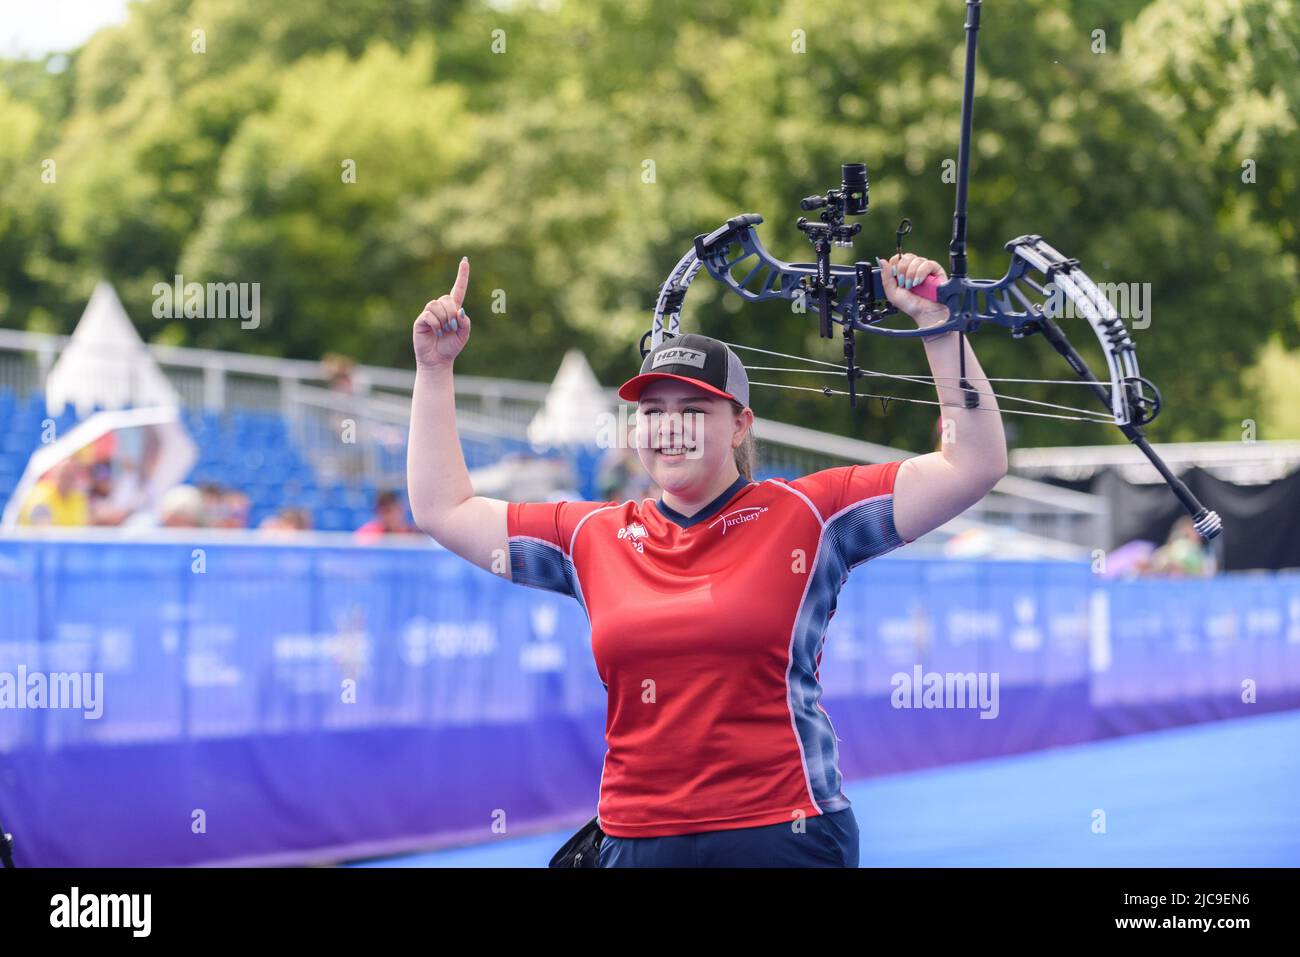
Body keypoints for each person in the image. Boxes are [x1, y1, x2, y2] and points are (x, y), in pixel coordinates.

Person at [407, 255, 1007, 867]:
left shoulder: (810, 512)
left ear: (740, 424)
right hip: (637, 841)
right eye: (653, 412)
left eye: (693, 410)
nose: (670, 428)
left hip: (784, 835)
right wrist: (435, 370)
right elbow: (442, 509)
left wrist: (938, 325)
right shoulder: (591, 534)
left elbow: (973, 464)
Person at [17, 458, 90, 527]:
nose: (67, 479)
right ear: (54, 472)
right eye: (64, 473)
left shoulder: (78, 498)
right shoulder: (40, 493)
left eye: (72, 474)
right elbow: (42, 530)